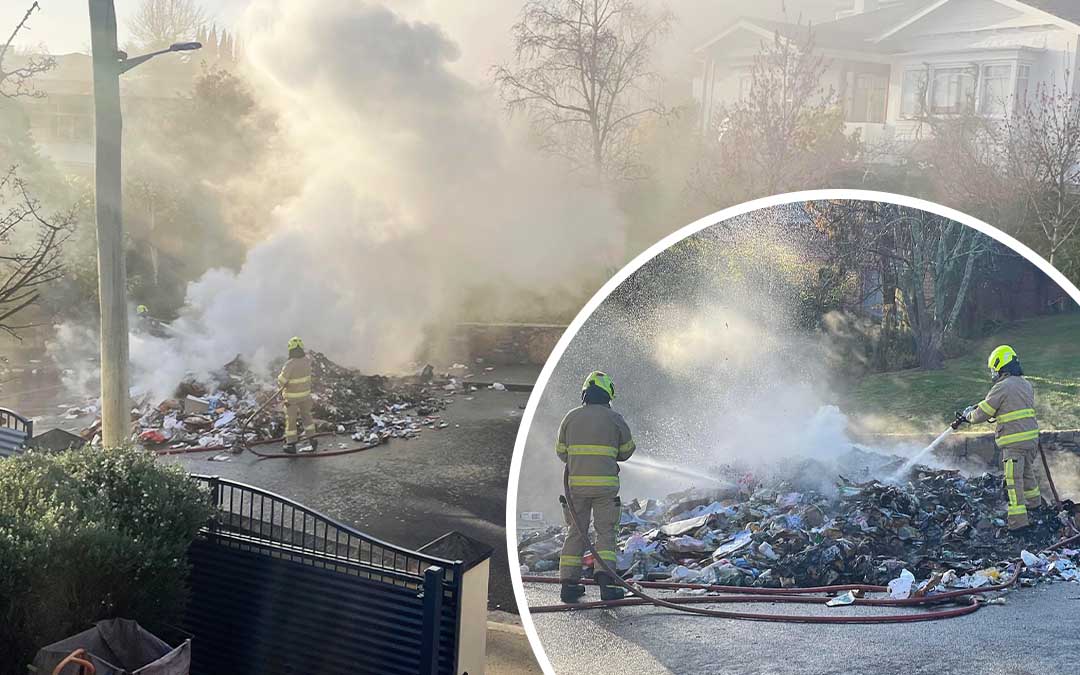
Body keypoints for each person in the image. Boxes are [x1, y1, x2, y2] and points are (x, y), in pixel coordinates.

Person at [555, 371, 636, 603]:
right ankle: (606, 585)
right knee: (605, 532)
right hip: (605, 489)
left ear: (585, 394)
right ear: (608, 395)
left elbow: (561, 452)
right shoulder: (615, 418)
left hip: (576, 488)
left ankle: (568, 586)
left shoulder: (570, 417)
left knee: (576, 532)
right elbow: (627, 450)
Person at [962, 345, 1041, 530]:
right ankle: (1035, 506)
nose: (993, 373)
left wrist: (968, 416)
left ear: (1000, 366)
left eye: (994, 369)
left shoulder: (1002, 387)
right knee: (1028, 475)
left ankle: (1018, 524)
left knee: (1014, 483)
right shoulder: (1025, 384)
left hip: (1014, 444)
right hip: (1031, 441)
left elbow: (984, 412)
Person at [277, 336, 318, 454]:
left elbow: (282, 381)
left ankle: (291, 444)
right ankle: (312, 439)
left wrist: (280, 378)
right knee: (307, 417)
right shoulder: (306, 361)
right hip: (305, 396)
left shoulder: (290, 364)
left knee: (291, 420)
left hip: (292, 398)